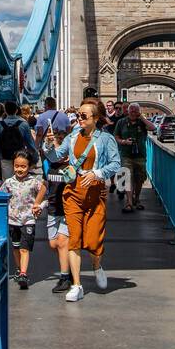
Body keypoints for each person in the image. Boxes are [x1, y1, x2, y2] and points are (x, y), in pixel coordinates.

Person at [45, 97, 121, 302]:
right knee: (74, 239)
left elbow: (116, 164)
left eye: (83, 116)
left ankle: (97, 265)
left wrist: (97, 173)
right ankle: (77, 285)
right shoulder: (72, 136)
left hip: (95, 193)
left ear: (96, 118)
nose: (79, 118)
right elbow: (54, 157)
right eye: (78, 114)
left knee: (94, 240)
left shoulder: (106, 139)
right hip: (72, 193)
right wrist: (49, 143)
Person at [0, 151, 45, 290]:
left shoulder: (33, 182)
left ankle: (24, 274)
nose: (19, 169)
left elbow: (44, 189)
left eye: (23, 166)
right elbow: (0, 196)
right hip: (13, 220)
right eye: (17, 166)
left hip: (28, 220)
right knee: (16, 247)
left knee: (24, 248)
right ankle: (19, 269)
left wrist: (38, 204)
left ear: (29, 167)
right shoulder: (8, 183)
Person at [40, 117, 73, 293]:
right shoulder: (50, 166)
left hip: (67, 209)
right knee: (53, 244)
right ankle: (68, 265)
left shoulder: (70, 168)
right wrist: (39, 203)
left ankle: (65, 276)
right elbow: (46, 185)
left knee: (62, 242)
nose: (60, 156)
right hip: (52, 207)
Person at [113, 103, 151, 212]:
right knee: (127, 177)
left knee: (139, 179)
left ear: (139, 112)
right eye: (131, 111)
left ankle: (137, 199)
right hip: (126, 155)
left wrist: (142, 118)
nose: (133, 113)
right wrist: (123, 141)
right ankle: (129, 203)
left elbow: (153, 128)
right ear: (128, 112)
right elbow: (116, 136)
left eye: (136, 111)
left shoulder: (141, 122)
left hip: (140, 155)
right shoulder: (121, 122)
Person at [0, 100, 37, 180]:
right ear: (17, 110)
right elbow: (30, 143)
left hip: (5, 157)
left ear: (5, 111)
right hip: (20, 156)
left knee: (7, 183)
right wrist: (35, 158)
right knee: (20, 181)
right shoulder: (23, 124)